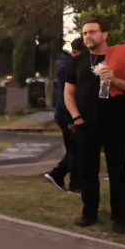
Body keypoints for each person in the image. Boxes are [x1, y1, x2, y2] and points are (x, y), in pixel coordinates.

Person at [65, 18, 125, 233]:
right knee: (87, 171)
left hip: (114, 123)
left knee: (117, 171)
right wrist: (76, 117)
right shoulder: (78, 61)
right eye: (85, 33)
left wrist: (115, 80)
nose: (88, 36)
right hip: (85, 125)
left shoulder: (123, 58)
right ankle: (89, 213)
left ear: (105, 34)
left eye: (92, 32)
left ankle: (120, 218)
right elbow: (68, 93)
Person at [45, 38, 85, 194]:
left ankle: (57, 174)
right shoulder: (66, 67)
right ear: (75, 52)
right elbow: (65, 95)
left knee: (77, 148)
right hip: (67, 114)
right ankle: (75, 185)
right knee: (75, 149)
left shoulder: (71, 64)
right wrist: (71, 119)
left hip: (72, 114)